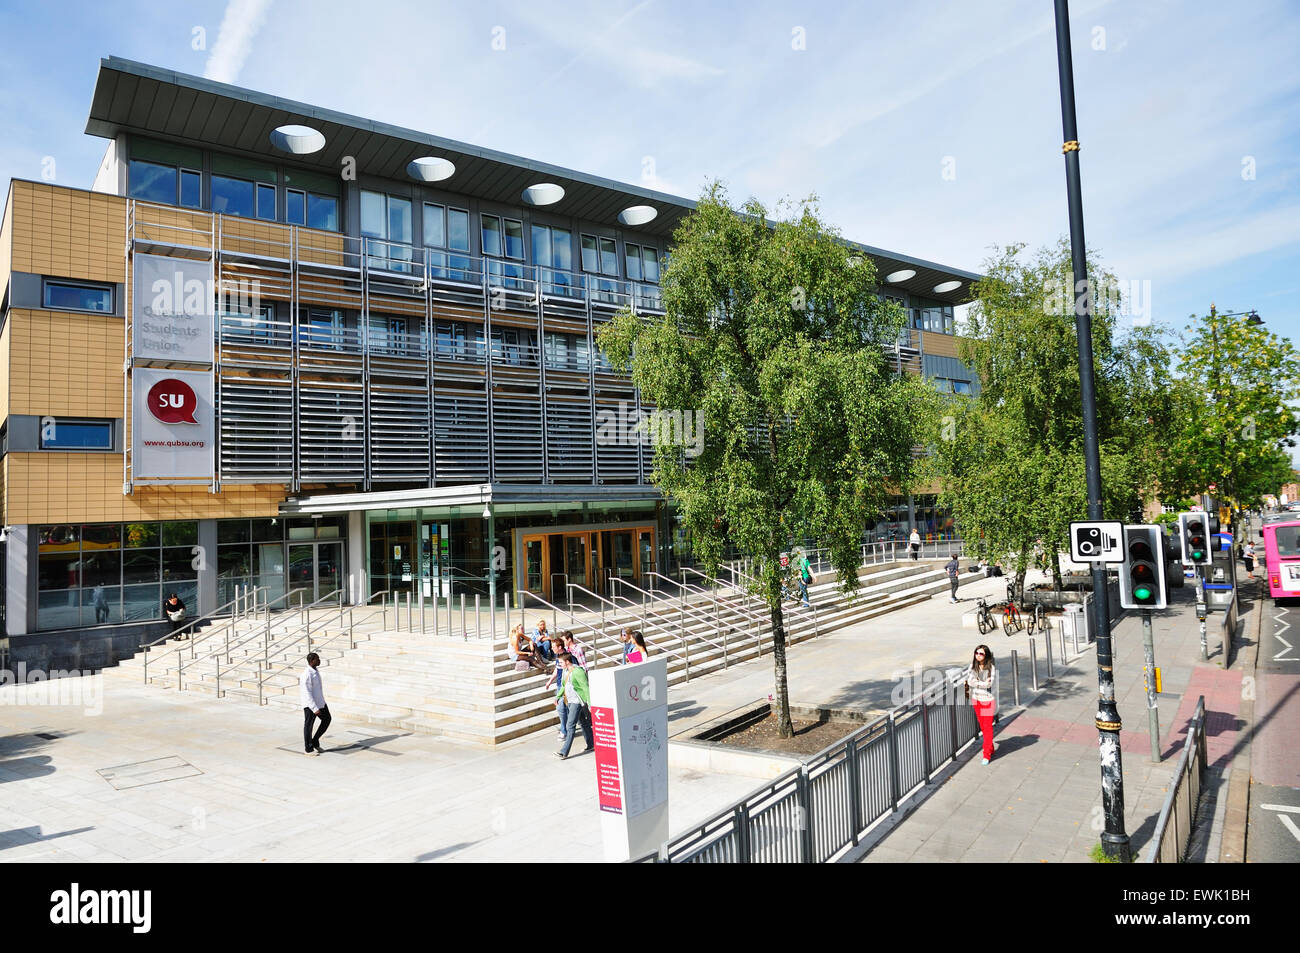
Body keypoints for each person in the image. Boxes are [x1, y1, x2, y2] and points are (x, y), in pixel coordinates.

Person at [555, 652, 593, 759]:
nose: (560, 664)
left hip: (577, 701)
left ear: (567, 662)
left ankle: (564, 751)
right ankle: (591, 744)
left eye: (561, 662)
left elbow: (585, 687)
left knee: (570, 725)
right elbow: (564, 685)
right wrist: (558, 696)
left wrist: (590, 704)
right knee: (583, 723)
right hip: (570, 701)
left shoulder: (577, 671)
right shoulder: (565, 671)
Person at [965, 644, 998, 764]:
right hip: (976, 700)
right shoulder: (972, 666)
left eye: (981, 654)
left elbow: (989, 684)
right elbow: (969, 681)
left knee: (988, 727)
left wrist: (977, 682)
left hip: (987, 701)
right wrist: (982, 683)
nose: (978, 656)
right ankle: (990, 747)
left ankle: (986, 754)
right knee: (983, 727)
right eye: (976, 653)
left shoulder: (991, 668)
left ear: (986, 655)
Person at [300, 652, 331, 756]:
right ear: (312, 660)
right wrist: (314, 708)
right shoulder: (307, 674)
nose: (319, 660)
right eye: (317, 659)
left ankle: (315, 741)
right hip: (310, 705)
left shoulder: (315, 671)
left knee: (327, 719)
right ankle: (308, 749)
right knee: (309, 726)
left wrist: (321, 702)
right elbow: (306, 693)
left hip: (320, 703)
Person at [544, 654, 568, 742]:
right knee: (562, 708)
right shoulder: (559, 657)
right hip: (560, 685)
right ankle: (565, 729)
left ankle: (564, 731)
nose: (552, 648)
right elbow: (557, 670)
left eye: (554, 646)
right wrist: (550, 681)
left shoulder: (566, 657)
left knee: (561, 708)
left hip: (566, 685)